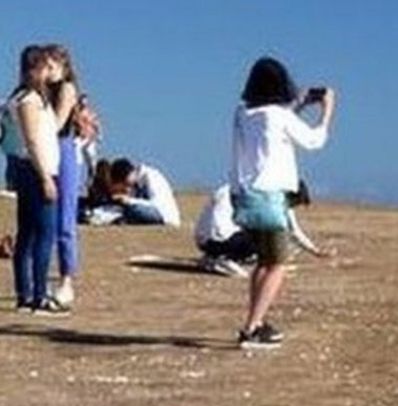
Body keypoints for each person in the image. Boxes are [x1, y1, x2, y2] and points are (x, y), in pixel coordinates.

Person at [230, 56, 336, 349]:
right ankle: (252, 327)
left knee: (263, 263)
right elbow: (314, 140)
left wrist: (300, 103)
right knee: (277, 265)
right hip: (272, 199)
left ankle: (256, 322)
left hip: (246, 195)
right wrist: (326, 111)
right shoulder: (279, 116)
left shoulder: (242, 114)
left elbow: (269, 123)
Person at [7, 46, 67, 315]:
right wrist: (45, 177)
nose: (47, 73)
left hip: (31, 168)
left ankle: (26, 294)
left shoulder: (32, 98)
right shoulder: (27, 100)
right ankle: (37, 295)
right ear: (33, 69)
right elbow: (32, 140)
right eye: (44, 67)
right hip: (36, 170)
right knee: (42, 233)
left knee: (29, 233)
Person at [195, 181, 330, 278]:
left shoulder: (239, 186)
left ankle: (212, 257)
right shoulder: (267, 199)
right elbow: (293, 231)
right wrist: (315, 251)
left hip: (203, 240)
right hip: (222, 238)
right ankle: (226, 260)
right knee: (269, 238)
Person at [44, 44, 85, 307]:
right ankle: (43, 280)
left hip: (62, 148)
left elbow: (58, 123)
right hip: (45, 150)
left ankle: (67, 280)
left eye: (51, 66)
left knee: (64, 222)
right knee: (45, 219)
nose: (46, 72)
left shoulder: (67, 89)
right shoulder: (40, 90)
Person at [107, 157, 181, 227]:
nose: (127, 188)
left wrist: (129, 200)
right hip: (154, 212)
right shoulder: (137, 182)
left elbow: (155, 205)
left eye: (125, 184)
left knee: (132, 209)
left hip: (164, 215)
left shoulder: (150, 177)